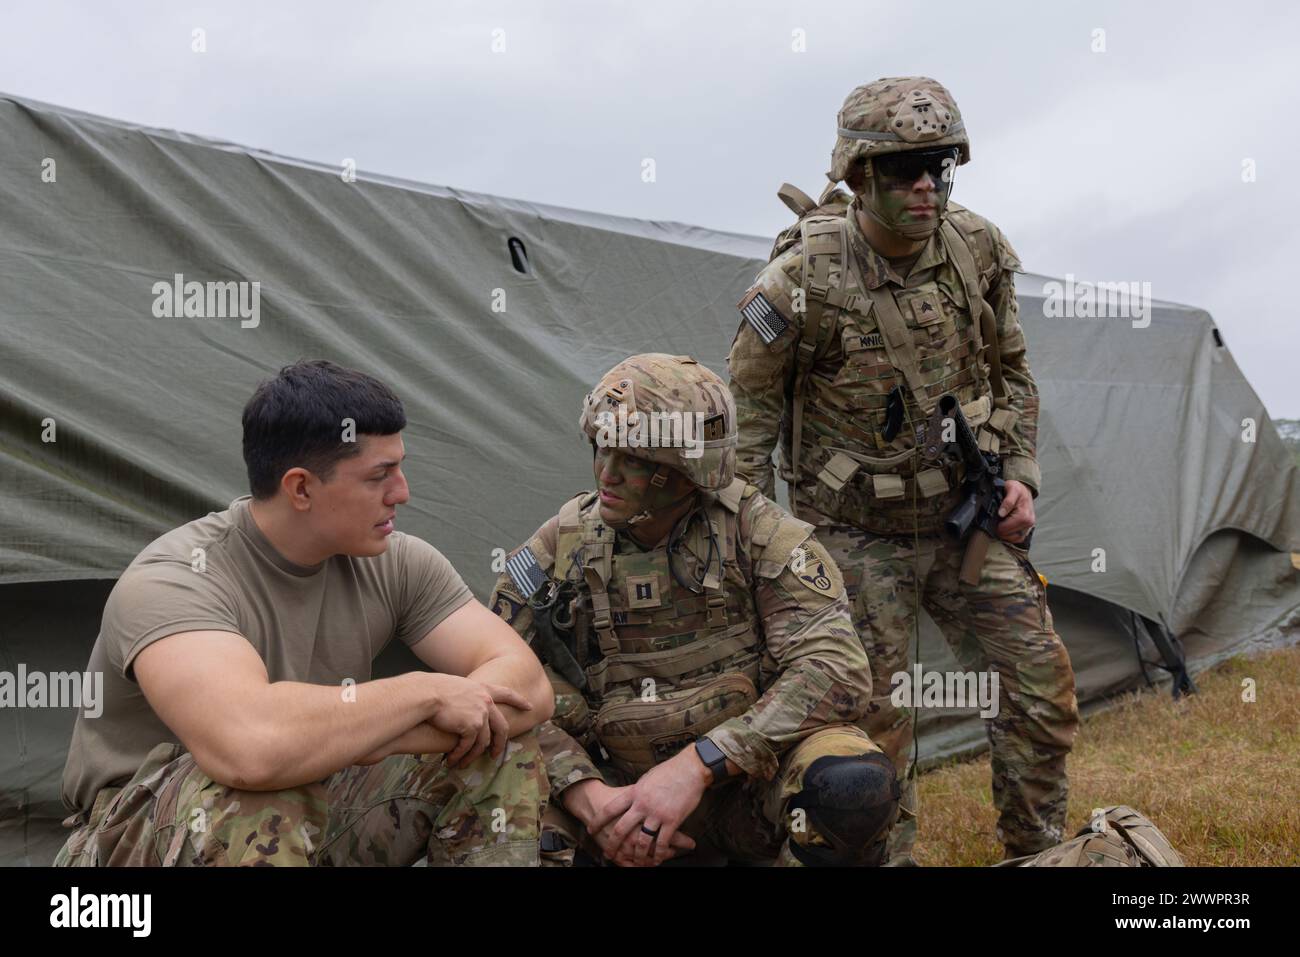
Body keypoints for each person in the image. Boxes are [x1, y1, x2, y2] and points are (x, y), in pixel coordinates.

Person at [727, 77, 1079, 860]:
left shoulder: (977, 250)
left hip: (963, 520)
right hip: (850, 534)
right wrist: (767, 562)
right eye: (903, 169)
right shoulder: (798, 285)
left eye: (939, 167)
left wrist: (1020, 473)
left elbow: (1013, 372)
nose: (925, 186)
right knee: (870, 731)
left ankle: (1037, 850)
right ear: (860, 175)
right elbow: (747, 436)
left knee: (1039, 686)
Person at [54, 359, 554, 866]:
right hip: (139, 840)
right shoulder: (176, 579)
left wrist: (377, 734)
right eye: (379, 476)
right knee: (261, 792)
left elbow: (528, 686)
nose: (401, 493)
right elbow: (250, 751)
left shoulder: (398, 562)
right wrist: (424, 694)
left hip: (310, 806)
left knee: (497, 746)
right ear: (300, 488)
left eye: (400, 468)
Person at [488, 353, 898, 866]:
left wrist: (698, 766)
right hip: (612, 799)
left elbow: (837, 670)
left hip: (745, 792)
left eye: (634, 460)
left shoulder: (758, 535)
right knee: (506, 813)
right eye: (602, 448)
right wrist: (589, 798)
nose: (606, 474)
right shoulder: (561, 547)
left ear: (689, 472)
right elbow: (490, 685)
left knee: (851, 785)